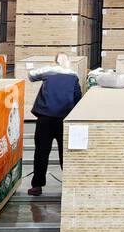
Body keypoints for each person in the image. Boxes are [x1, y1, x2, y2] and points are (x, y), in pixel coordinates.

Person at [26, 52, 82, 196]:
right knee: (66, 153)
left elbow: (31, 75)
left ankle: (37, 186)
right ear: (68, 61)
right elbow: (77, 98)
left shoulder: (48, 72)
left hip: (45, 118)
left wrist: (49, 68)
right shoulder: (73, 76)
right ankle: (69, 186)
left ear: (55, 61)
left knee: (41, 152)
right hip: (65, 119)